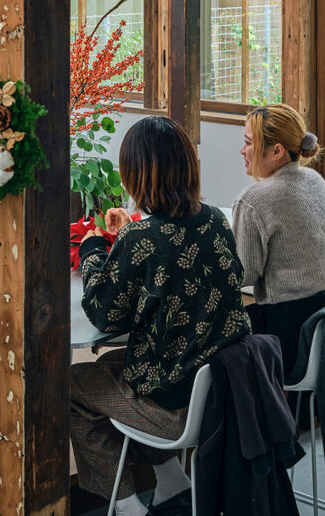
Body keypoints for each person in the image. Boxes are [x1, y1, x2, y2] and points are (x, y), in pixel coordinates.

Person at [72, 116, 251, 516]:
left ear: (136, 173)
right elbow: (171, 269)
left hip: (171, 404)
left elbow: (103, 313)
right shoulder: (216, 221)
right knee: (111, 367)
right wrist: (126, 237)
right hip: (218, 388)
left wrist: (93, 251)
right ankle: (172, 484)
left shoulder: (142, 238)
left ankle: (128, 506)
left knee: (71, 388)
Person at [232, 103, 325, 371]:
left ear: (276, 151)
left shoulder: (253, 200)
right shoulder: (315, 180)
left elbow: (242, 275)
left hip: (296, 331)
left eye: (249, 143)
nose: (242, 151)